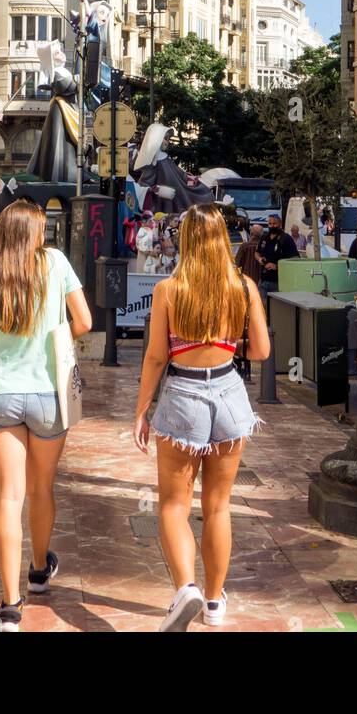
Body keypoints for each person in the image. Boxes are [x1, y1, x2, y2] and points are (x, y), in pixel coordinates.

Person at [134, 203, 270, 632]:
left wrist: (141, 411)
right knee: (218, 507)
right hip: (230, 391)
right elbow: (263, 351)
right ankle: (213, 603)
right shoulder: (242, 286)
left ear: (188, 241)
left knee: (174, 505)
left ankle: (185, 589)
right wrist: (231, 348)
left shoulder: (169, 290)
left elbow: (156, 357)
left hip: (183, 394)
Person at [0, 199, 92, 633]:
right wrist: (52, 338)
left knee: (8, 497)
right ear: (35, 232)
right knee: (41, 491)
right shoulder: (54, 262)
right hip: (47, 396)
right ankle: (39, 571)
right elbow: (85, 321)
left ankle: (10, 605)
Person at [256, 214, 295, 306]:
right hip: (264, 280)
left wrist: (277, 266)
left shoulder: (286, 239)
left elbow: (295, 258)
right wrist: (260, 259)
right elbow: (257, 252)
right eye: (270, 224)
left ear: (280, 224)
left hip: (279, 281)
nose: (272, 226)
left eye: (274, 223)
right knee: (261, 307)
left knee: (276, 309)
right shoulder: (264, 237)